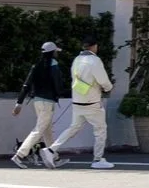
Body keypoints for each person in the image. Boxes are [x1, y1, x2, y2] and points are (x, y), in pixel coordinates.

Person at [40, 39, 114, 170]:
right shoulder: (95, 61)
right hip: (92, 101)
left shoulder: (77, 60)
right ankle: (97, 159)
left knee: (73, 128)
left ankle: (51, 149)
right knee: (100, 130)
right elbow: (103, 80)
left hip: (77, 100)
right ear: (94, 46)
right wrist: (108, 88)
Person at [12, 40, 69, 166]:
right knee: (39, 129)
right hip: (47, 103)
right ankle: (20, 155)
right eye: (55, 51)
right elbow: (58, 85)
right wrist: (70, 92)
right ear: (52, 52)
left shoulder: (36, 66)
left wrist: (19, 103)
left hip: (37, 101)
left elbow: (26, 85)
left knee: (47, 130)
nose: (56, 54)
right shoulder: (54, 65)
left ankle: (54, 158)